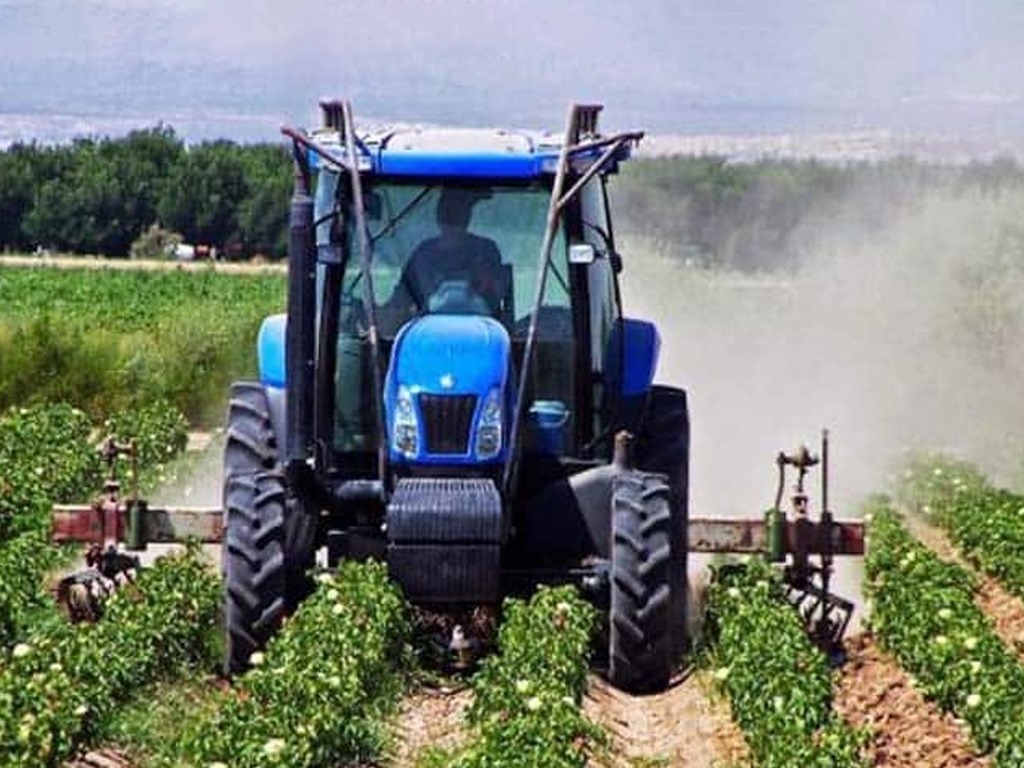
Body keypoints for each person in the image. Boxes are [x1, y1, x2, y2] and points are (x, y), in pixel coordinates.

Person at [393, 188, 507, 318]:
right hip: (425, 331)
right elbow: (402, 299)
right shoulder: (423, 253)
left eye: (458, 210)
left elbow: (498, 291)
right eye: (448, 210)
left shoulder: (486, 251)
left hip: (485, 328)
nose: (453, 215)